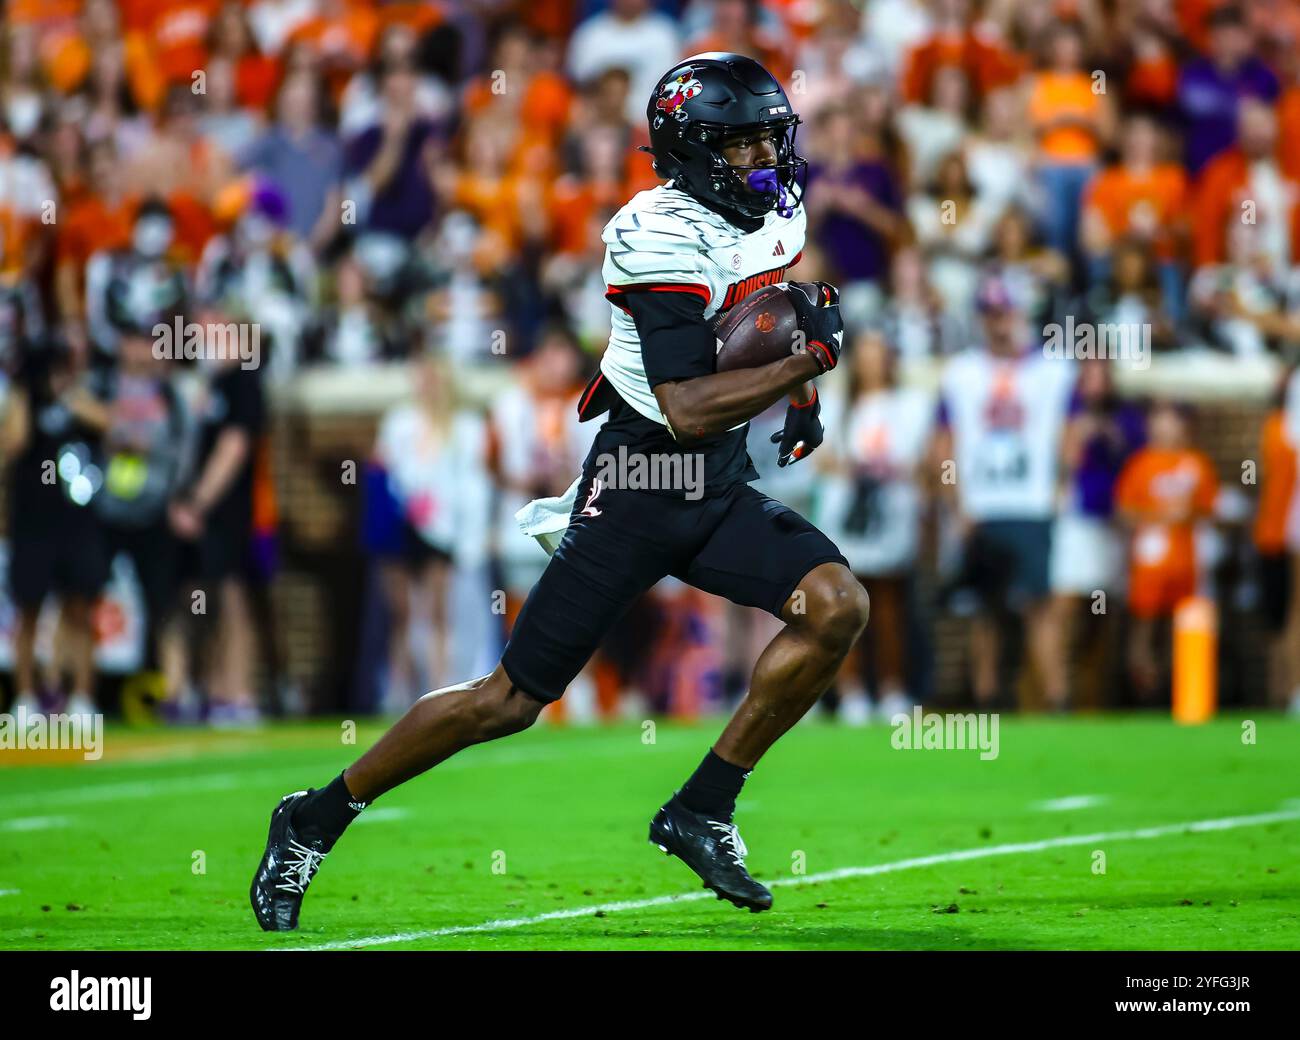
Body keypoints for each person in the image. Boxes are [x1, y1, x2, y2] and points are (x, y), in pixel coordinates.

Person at [251, 53, 863, 930]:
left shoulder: (771, 208)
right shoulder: (656, 233)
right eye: (743, 144)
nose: (766, 158)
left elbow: (766, 304)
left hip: (717, 479)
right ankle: (313, 818)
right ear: (691, 152)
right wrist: (810, 362)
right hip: (642, 478)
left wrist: (797, 385)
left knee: (836, 605)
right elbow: (687, 407)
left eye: (772, 137)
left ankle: (703, 806)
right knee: (507, 702)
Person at [933, 272, 1075, 710]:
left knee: (1039, 604)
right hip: (983, 506)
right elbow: (945, 444)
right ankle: (987, 698)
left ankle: (1055, 698)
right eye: (991, 312)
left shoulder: (1053, 369)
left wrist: (1059, 487)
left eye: (1005, 311)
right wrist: (957, 504)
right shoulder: (962, 372)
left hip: (1031, 502)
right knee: (984, 609)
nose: (999, 322)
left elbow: (1072, 432)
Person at [816, 328, 934, 723]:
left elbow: (919, 459)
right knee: (846, 605)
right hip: (848, 514)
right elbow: (820, 457)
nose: (872, 361)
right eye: (865, 353)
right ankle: (849, 692)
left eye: (879, 352)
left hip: (890, 514)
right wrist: (854, 468)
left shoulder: (909, 404)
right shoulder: (837, 404)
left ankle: (891, 687)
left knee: (888, 606)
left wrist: (886, 469)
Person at [1114, 400, 1219, 701]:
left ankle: (1178, 690)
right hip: (1149, 561)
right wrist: (1158, 516)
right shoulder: (1141, 463)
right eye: (1161, 418)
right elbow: (1123, 510)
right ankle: (1141, 692)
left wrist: (1188, 514)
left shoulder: (1195, 463)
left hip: (1187, 561)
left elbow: (1209, 508)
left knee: (1182, 626)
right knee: (1145, 625)